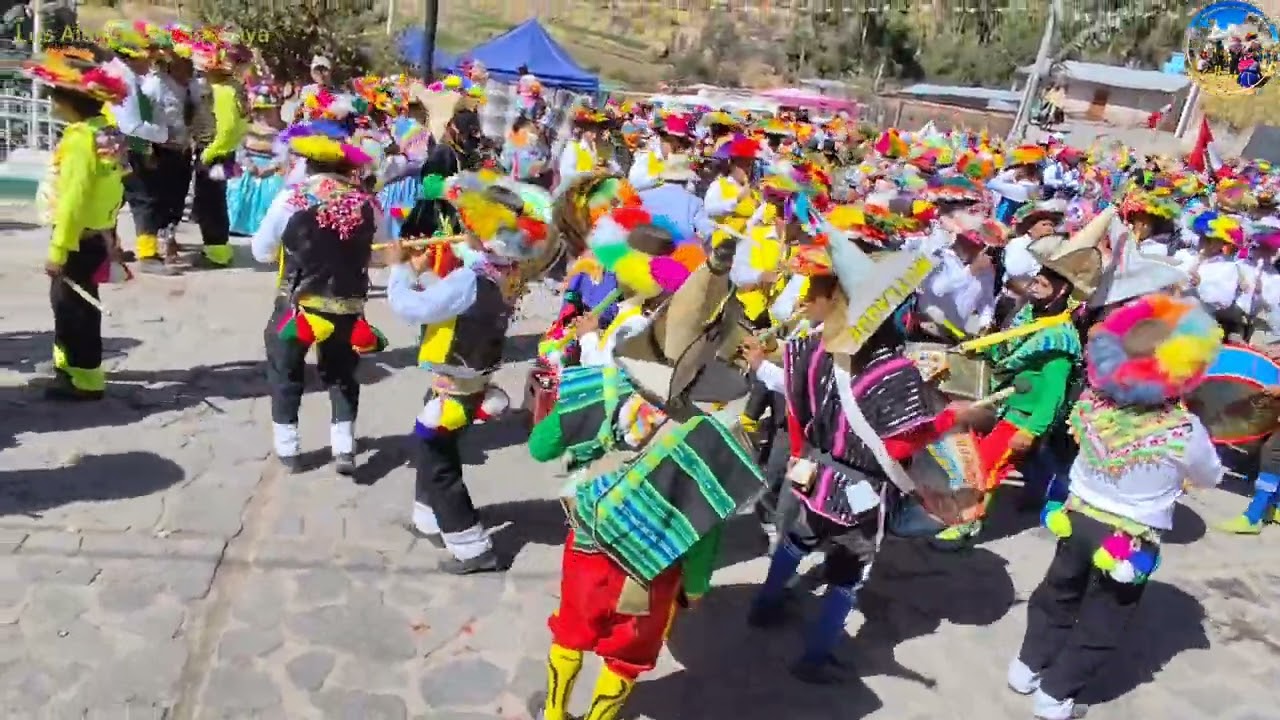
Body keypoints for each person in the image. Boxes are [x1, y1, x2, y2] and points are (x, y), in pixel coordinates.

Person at [526, 207, 759, 720]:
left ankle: (553, 712)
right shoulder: (713, 438)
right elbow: (704, 532)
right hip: (653, 568)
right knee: (626, 657)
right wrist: (695, 588)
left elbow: (541, 448)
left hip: (587, 541)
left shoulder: (594, 389)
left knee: (571, 628)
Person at [745, 226, 974, 683]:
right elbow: (899, 445)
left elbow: (794, 408)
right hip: (863, 494)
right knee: (850, 576)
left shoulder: (810, 348)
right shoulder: (895, 371)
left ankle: (764, 607)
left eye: (816, 291)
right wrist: (953, 418)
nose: (808, 299)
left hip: (817, 477)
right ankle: (813, 660)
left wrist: (798, 456)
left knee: (797, 541)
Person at [1009, 294, 1224, 720]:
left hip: (1075, 518)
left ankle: (1027, 667)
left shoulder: (1090, 405)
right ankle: (1055, 696)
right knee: (1104, 616)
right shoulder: (1182, 430)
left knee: (1058, 593)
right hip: (1131, 537)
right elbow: (1211, 476)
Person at [387, 173, 561, 574]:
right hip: (470, 379)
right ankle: (430, 517)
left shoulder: (471, 278)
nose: (463, 230)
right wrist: (430, 267)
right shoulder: (506, 271)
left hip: (456, 384)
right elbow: (462, 287)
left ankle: (473, 547)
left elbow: (415, 308)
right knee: (434, 452)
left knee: (437, 462)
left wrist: (400, 271)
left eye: (469, 225)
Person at [249, 131, 381, 474]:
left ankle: (289, 450)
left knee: (285, 370)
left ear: (307, 166)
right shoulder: (366, 203)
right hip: (348, 306)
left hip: (298, 304)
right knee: (341, 374)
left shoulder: (292, 199)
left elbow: (261, 252)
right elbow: (381, 254)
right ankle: (344, 447)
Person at [26, 49, 130, 401]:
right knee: (78, 304)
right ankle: (71, 370)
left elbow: (73, 199)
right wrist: (111, 231)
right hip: (97, 234)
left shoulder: (80, 139)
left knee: (72, 308)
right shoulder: (107, 132)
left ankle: (83, 379)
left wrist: (58, 249)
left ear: (69, 101)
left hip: (76, 238)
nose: (52, 103)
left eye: (55, 96)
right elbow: (115, 188)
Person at [100, 21, 168, 267]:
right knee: (143, 197)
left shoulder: (116, 71)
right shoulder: (125, 79)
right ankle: (148, 254)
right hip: (126, 146)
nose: (150, 62)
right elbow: (132, 125)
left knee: (114, 200)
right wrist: (161, 135)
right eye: (146, 57)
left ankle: (110, 250)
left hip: (114, 144)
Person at [188, 40, 248, 268]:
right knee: (215, 201)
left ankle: (217, 253)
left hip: (215, 154)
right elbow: (241, 127)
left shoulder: (221, 92)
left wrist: (207, 154)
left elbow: (228, 128)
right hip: (226, 153)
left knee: (210, 204)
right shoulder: (235, 87)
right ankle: (218, 248)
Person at [139, 24, 192, 274]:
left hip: (183, 150)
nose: (187, 63)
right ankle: (159, 247)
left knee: (177, 201)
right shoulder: (156, 84)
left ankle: (169, 237)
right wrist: (147, 149)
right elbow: (144, 118)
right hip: (161, 151)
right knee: (159, 201)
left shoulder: (191, 86)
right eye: (182, 58)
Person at [227, 83, 286, 236]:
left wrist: (271, 167)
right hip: (249, 165)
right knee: (238, 183)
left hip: (272, 169)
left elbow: (286, 154)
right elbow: (239, 148)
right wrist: (249, 165)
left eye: (268, 110)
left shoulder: (284, 130)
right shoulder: (247, 127)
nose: (263, 114)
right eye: (260, 110)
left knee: (274, 187)